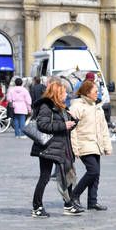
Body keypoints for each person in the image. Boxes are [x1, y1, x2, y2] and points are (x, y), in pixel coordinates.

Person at [31, 79, 83, 217]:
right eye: (64, 92)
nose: (66, 95)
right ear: (57, 93)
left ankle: (68, 205)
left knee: (68, 174)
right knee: (45, 177)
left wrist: (74, 121)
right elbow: (42, 125)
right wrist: (63, 125)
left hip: (62, 146)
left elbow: (67, 125)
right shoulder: (46, 106)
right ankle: (37, 207)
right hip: (48, 147)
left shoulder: (61, 107)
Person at [68, 79, 112, 211]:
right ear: (87, 92)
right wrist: (75, 148)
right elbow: (73, 129)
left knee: (96, 174)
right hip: (84, 143)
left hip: (96, 144)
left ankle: (92, 201)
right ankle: (74, 195)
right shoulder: (77, 107)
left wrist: (107, 146)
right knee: (93, 171)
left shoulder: (97, 107)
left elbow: (103, 129)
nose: (97, 93)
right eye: (95, 91)